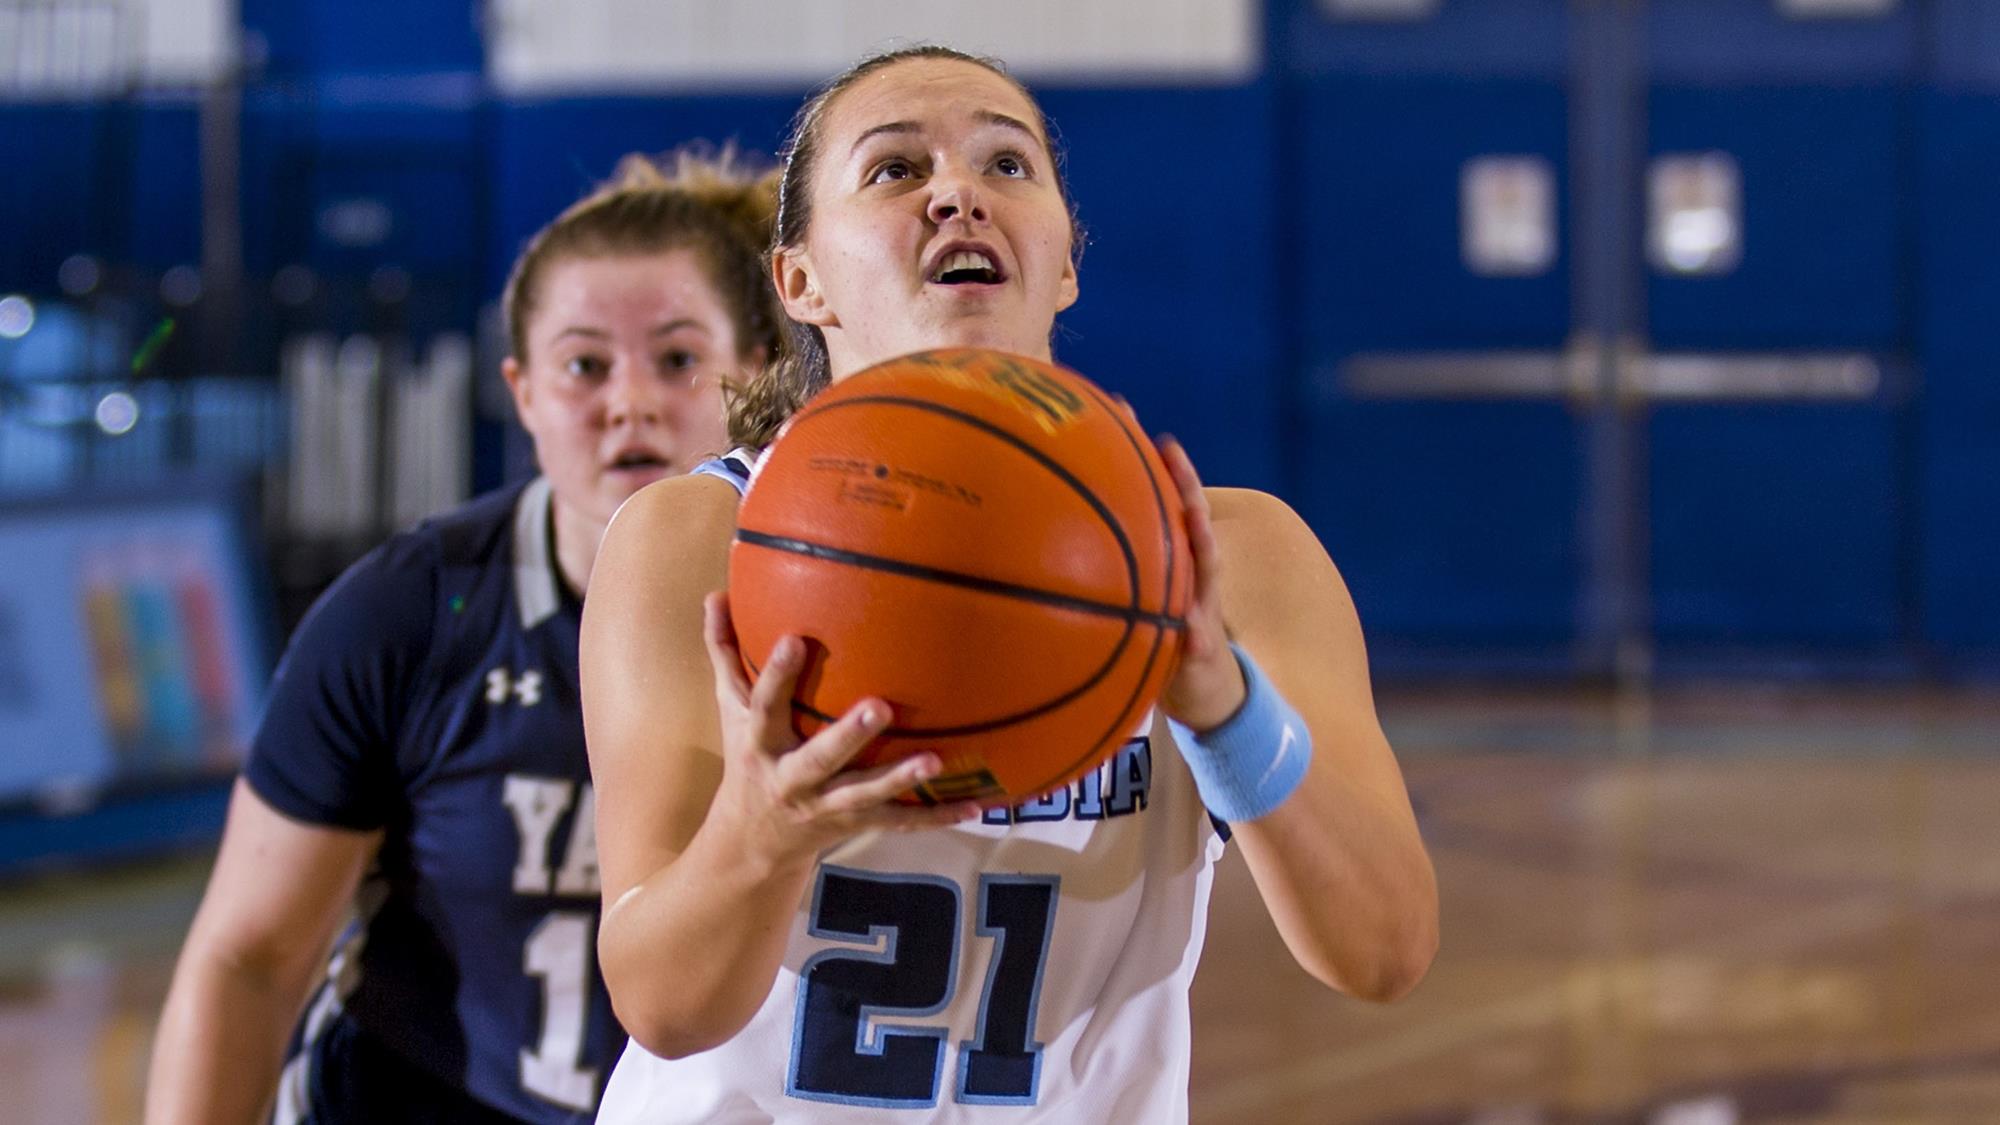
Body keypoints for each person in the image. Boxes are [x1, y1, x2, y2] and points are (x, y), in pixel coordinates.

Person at [582, 47, 1440, 1123]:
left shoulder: (1232, 553)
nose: (957, 191)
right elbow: (662, 1005)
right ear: (798, 282)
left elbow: (1383, 952)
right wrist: (759, 836)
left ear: (1066, 263)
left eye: (1007, 162)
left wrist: (1222, 708)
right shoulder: (697, 538)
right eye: (894, 170)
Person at [146, 148, 784, 1124]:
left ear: (753, 376)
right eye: (583, 365)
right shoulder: (406, 611)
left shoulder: (822, 609)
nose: (630, 402)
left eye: (678, 358)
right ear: (522, 393)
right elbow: (249, 958)